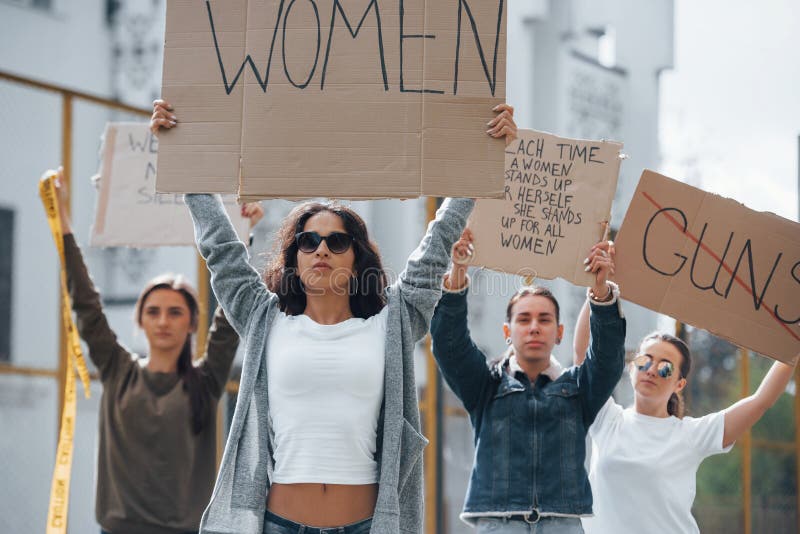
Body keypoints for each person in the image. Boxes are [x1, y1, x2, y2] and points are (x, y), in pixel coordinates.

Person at [150, 100, 518, 533]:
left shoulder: (392, 322)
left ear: (357, 259)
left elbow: (437, 244)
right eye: (308, 241)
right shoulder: (263, 318)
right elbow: (221, 250)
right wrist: (184, 150)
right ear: (294, 257)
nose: (321, 249)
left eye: (337, 242)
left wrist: (482, 157)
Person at [47, 167, 262, 534]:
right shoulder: (118, 369)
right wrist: (62, 220)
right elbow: (86, 303)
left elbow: (230, 313)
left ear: (191, 323)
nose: (163, 321)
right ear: (141, 320)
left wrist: (245, 234)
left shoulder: (206, 380)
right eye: (153, 312)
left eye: (175, 312)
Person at [428, 228, 626, 533]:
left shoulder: (578, 389)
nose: (534, 327)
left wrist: (601, 292)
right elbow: (448, 343)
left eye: (544, 319)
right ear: (507, 332)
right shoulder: (485, 386)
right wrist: (457, 273)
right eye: (523, 319)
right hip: (499, 525)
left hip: (563, 525)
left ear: (559, 333)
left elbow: (608, 358)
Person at [573, 316, 797, 533]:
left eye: (665, 368)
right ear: (632, 367)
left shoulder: (690, 435)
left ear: (679, 384)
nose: (651, 370)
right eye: (644, 361)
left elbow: (761, 401)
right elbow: (581, 354)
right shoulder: (606, 418)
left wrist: (794, 342)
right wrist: (596, 295)